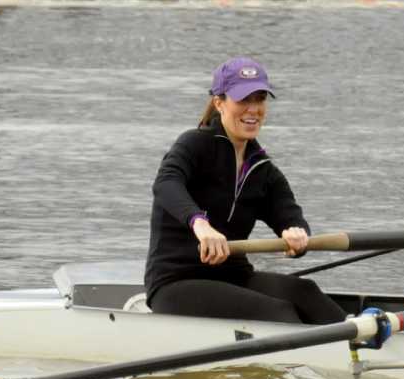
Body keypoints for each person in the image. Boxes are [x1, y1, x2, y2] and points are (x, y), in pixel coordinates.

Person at [144, 57, 348, 324]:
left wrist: (296, 234)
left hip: (234, 275)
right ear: (219, 103)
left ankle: (366, 344)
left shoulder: (261, 168)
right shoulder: (194, 145)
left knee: (304, 291)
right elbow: (166, 183)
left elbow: (288, 215)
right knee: (276, 312)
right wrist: (200, 225)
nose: (253, 109)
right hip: (176, 281)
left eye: (260, 99)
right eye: (243, 100)